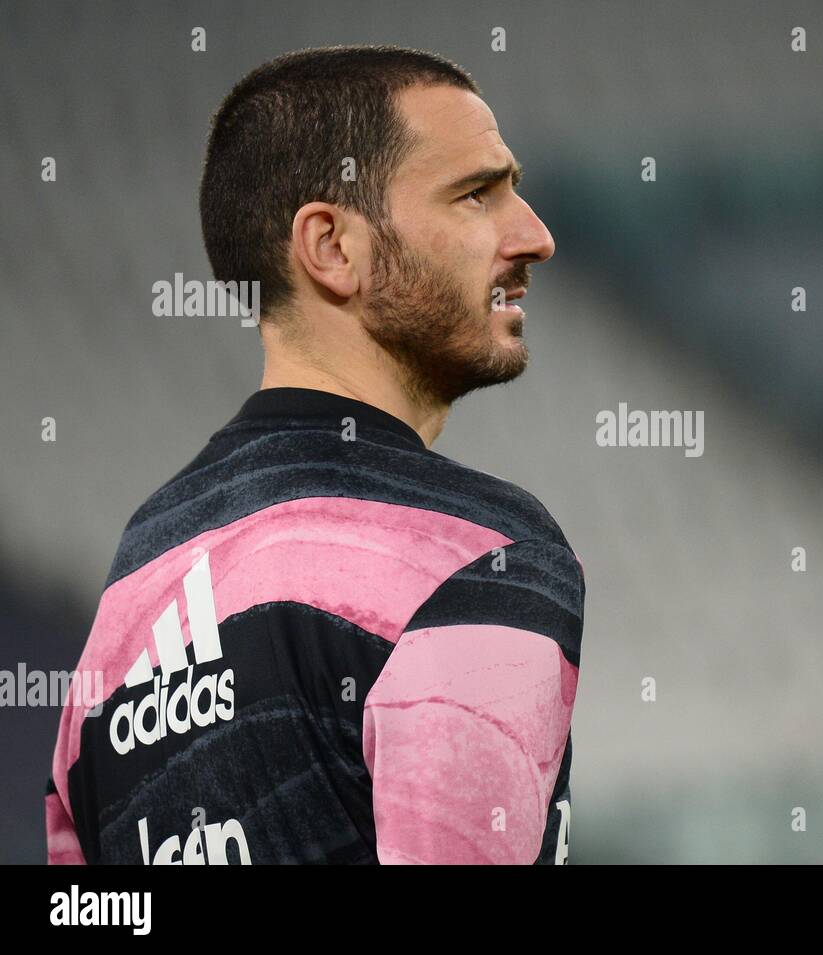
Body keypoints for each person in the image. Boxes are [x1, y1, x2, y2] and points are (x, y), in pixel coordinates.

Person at [44, 45, 583, 864]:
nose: (534, 236)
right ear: (331, 246)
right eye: (477, 193)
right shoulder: (476, 554)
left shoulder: (132, 589)